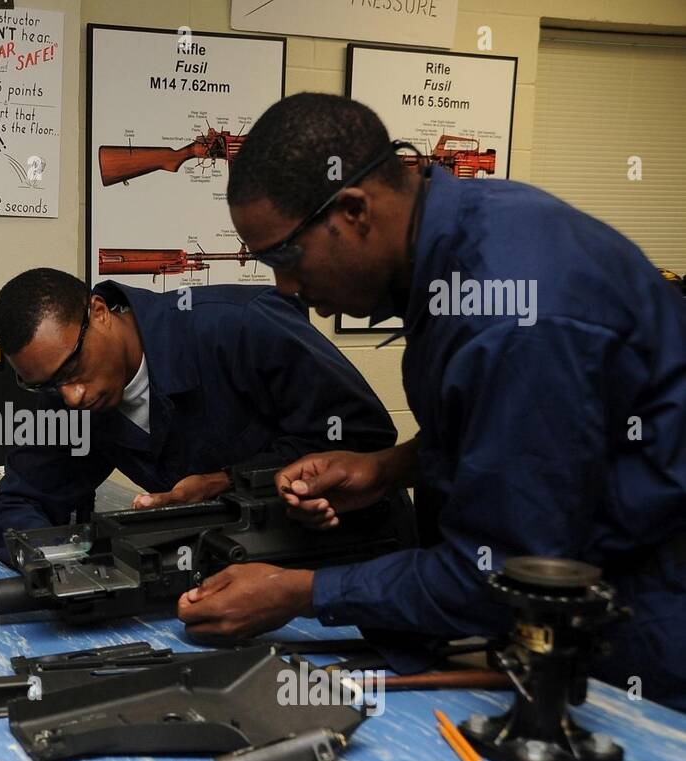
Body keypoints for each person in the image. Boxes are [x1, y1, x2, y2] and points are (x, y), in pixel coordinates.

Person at [179, 93, 686, 711]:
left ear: (354, 210)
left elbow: (501, 574)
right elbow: (529, 429)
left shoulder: (510, 315)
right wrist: (391, 466)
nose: (287, 288)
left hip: (651, 622)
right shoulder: (466, 237)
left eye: (285, 257)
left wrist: (300, 591)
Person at [0, 267, 397, 555]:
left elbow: (365, 437)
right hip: (230, 573)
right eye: (46, 383)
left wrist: (225, 483)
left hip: (353, 555)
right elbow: (22, 497)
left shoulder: (239, 326)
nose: (71, 397)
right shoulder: (67, 387)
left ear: (100, 312)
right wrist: (47, 557)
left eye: (71, 370)